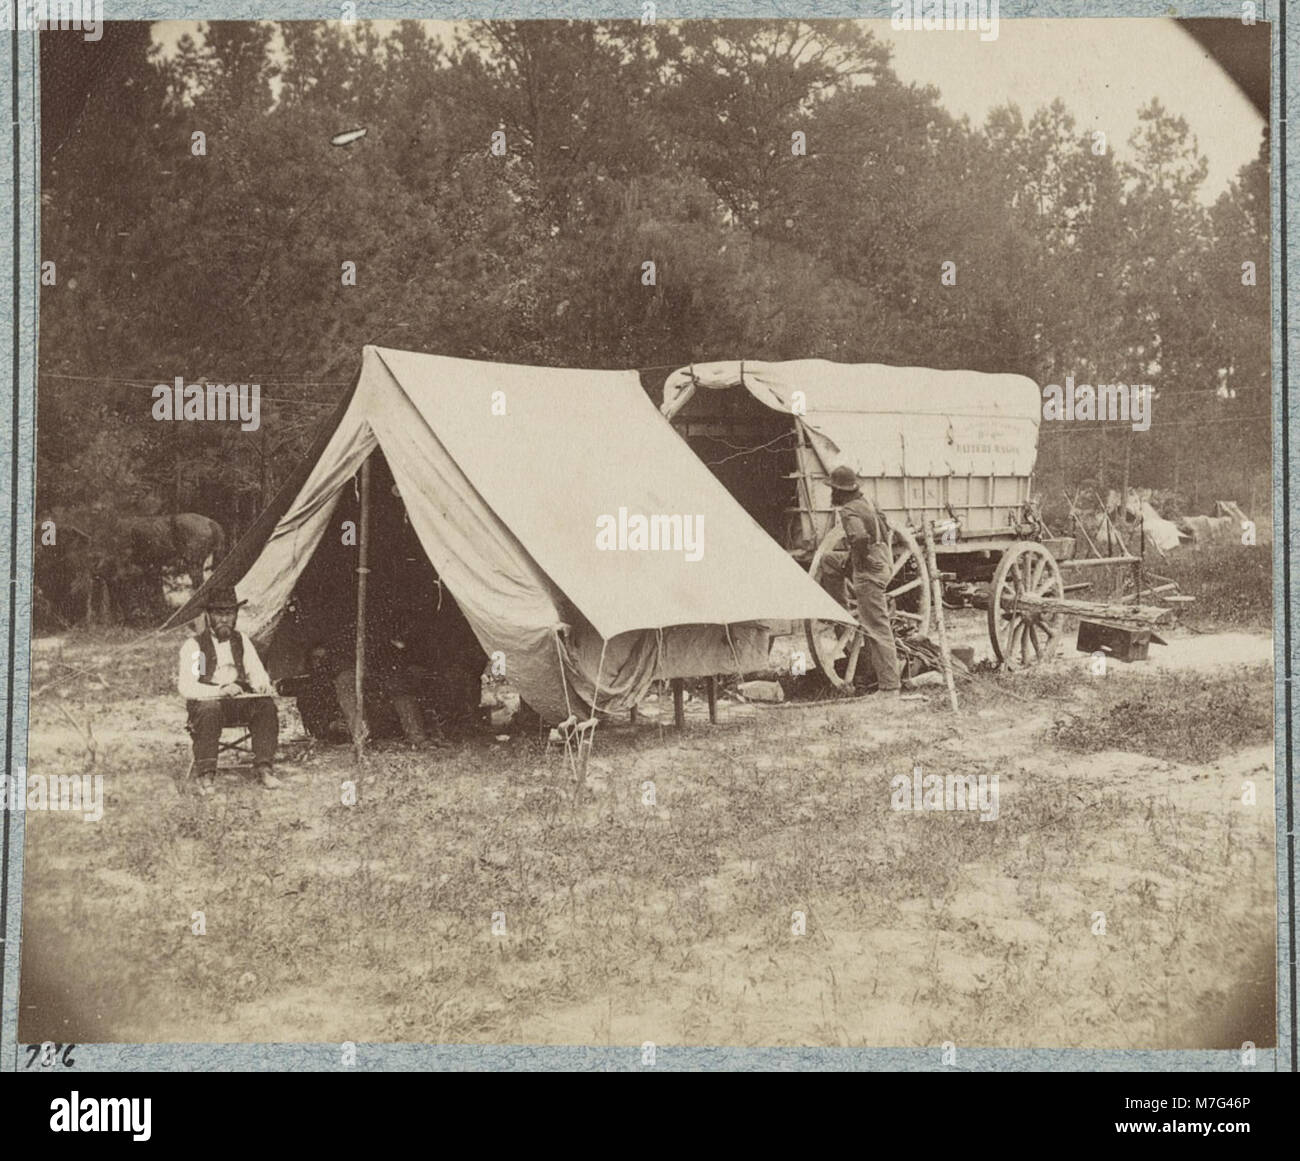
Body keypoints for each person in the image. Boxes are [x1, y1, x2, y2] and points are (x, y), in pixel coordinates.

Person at [178, 586, 283, 794]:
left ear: (235, 615)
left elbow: (256, 672)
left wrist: (262, 684)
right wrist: (221, 689)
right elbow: (187, 687)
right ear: (208, 616)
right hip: (206, 705)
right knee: (210, 709)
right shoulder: (195, 646)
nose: (224, 619)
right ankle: (206, 776)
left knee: (265, 706)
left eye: (229, 613)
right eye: (219, 613)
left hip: (237, 704)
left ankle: (264, 769)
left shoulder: (241, 641)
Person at [820, 464, 902, 697]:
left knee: (877, 628)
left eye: (833, 489)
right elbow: (885, 526)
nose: (831, 494)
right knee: (829, 561)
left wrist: (864, 560)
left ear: (839, 491)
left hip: (869, 571)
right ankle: (840, 614)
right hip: (882, 560)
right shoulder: (870, 502)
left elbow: (858, 537)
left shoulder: (847, 510)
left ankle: (889, 687)